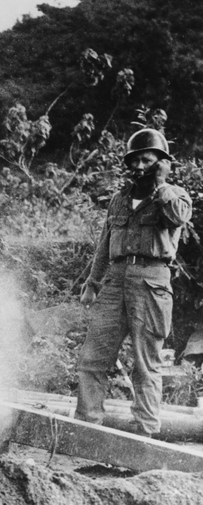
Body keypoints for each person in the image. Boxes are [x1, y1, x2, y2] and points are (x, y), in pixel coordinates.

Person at [76, 129, 192, 437]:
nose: (139, 166)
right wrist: (92, 282)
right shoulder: (119, 199)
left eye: (147, 160)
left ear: (162, 163)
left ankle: (145, 434)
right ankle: (87, 428)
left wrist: (161, 184)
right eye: (135, 160)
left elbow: (177, 217)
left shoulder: (175, 196)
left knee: (146, 364)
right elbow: (104, 244)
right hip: (114, 282)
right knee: (92, 358)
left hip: (152, 283)